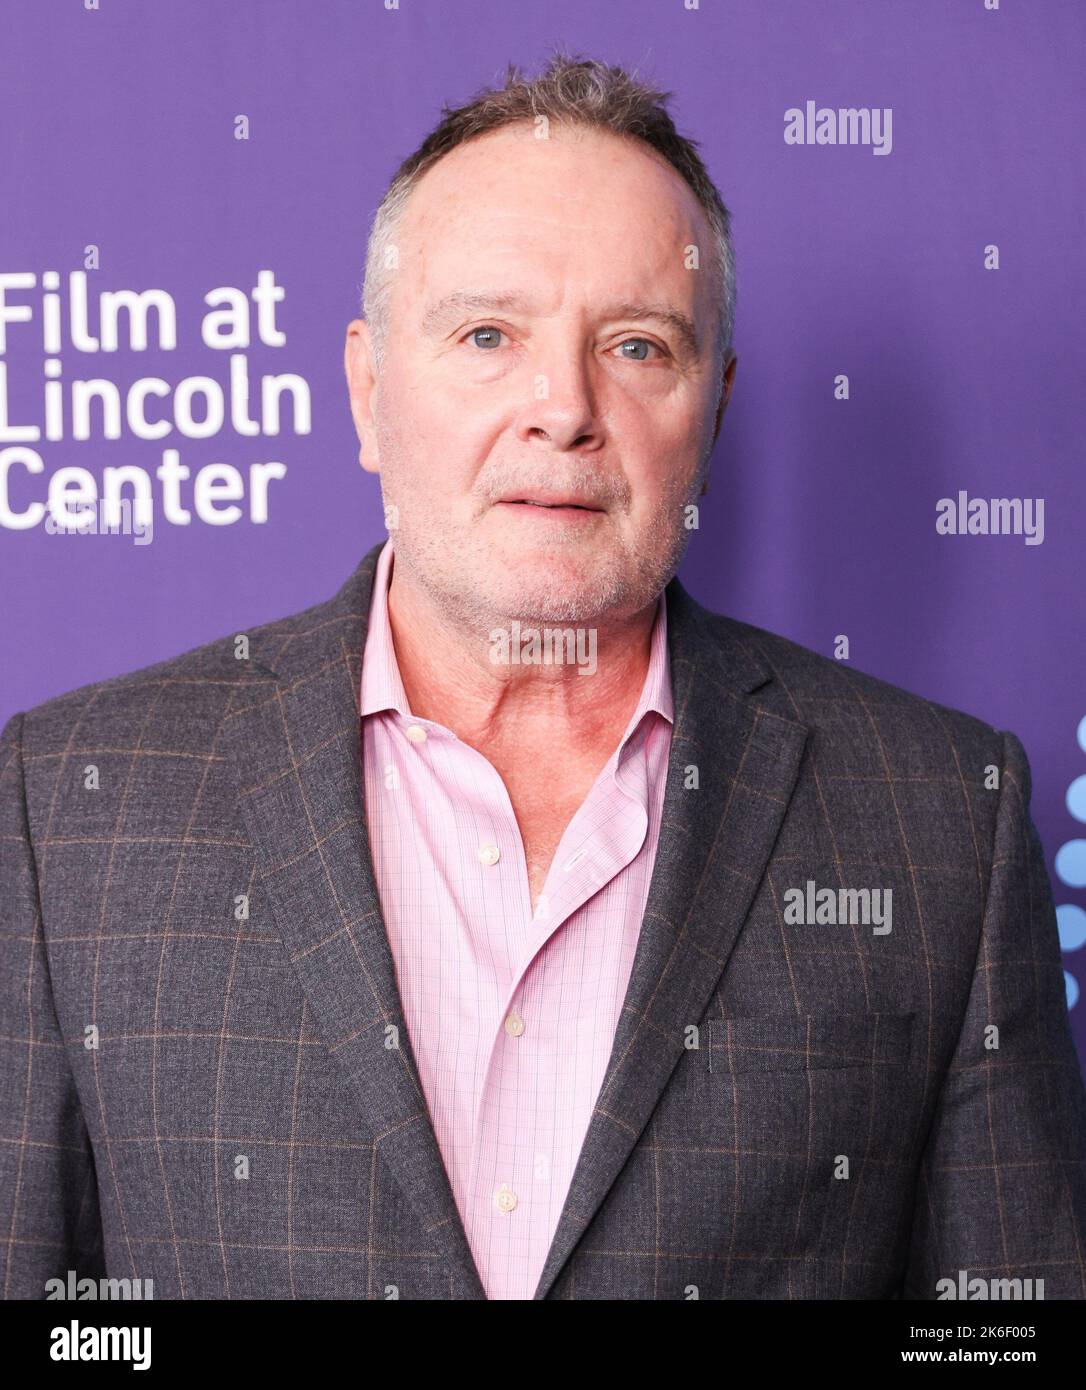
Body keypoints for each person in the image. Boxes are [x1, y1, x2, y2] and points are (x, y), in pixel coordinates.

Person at [2, 53, 1084, 1302]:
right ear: (365, 389)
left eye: (635, 345)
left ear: (714, 410)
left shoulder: (946, 810)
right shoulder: (74, 799)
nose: (561, 408)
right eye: (486, 334)